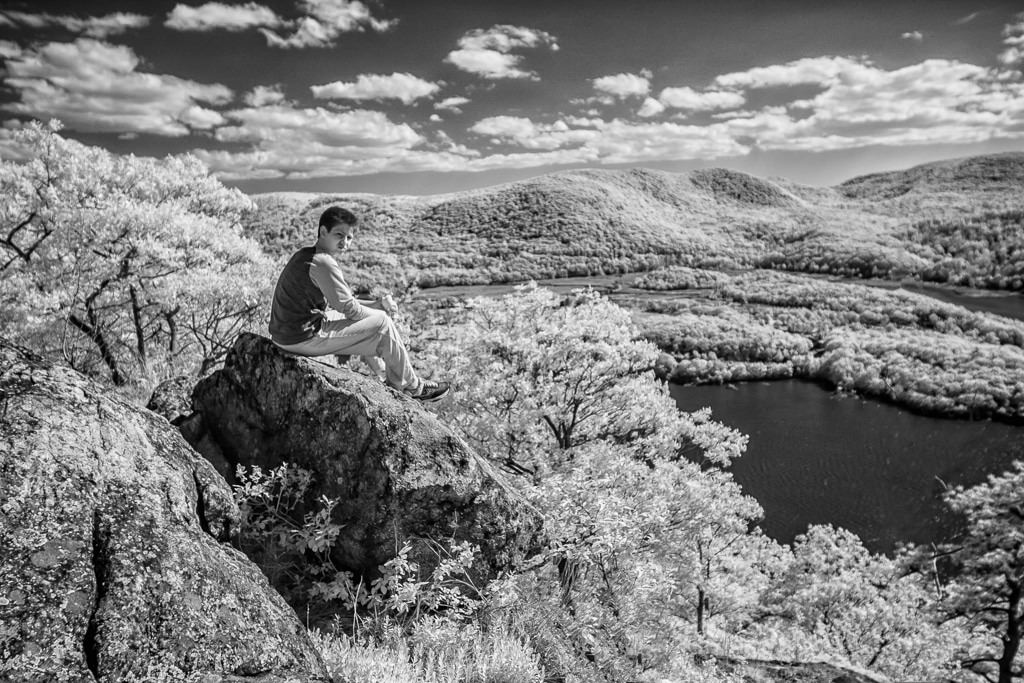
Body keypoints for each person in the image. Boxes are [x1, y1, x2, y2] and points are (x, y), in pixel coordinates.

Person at [268, 206, 450, 402]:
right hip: (301, 338)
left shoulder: (306, 254)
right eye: (339, 234)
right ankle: (413, 388)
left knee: (377, 320)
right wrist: (380, 313)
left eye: (349, 238)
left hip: (287, 334)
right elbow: (350, 309)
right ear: (323, 232)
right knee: (382, 323)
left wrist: (377, 304)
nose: (344, 242)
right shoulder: (323, 263)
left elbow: (344, 304)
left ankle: (390, 380)